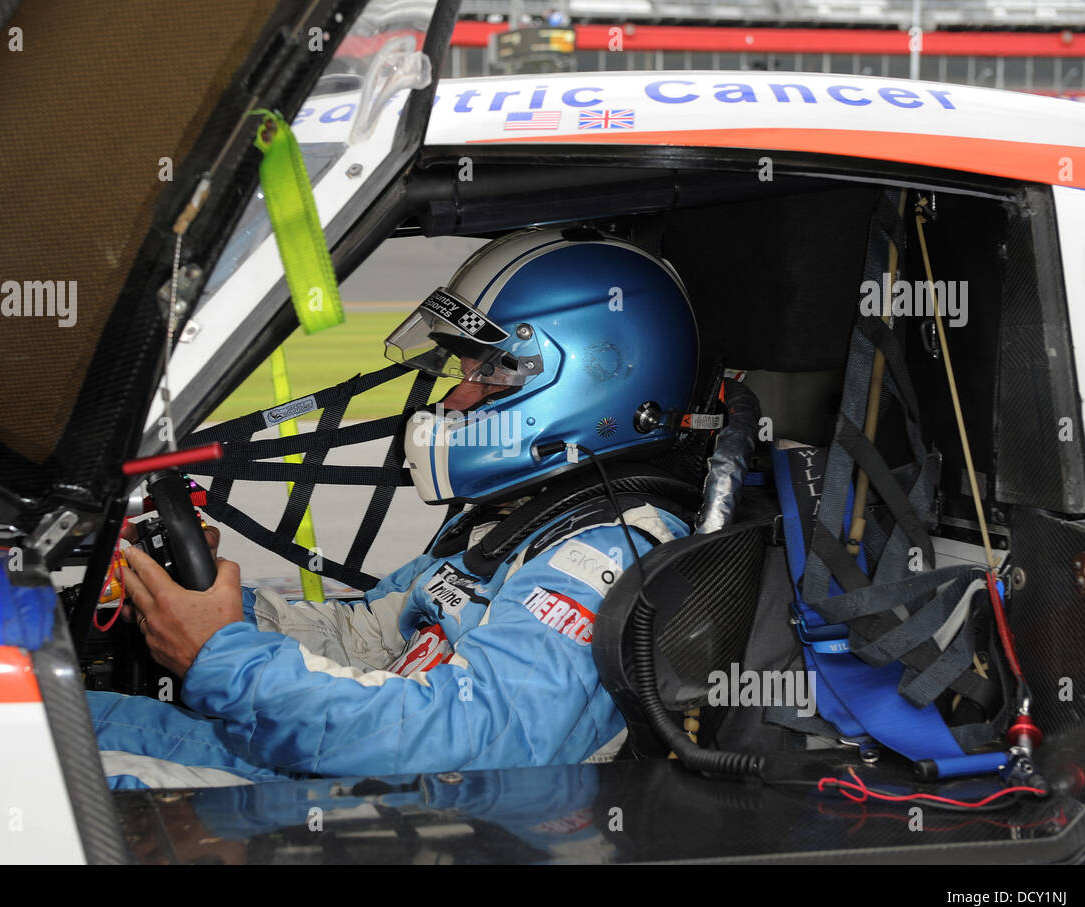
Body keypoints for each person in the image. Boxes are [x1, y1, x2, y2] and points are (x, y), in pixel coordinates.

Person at [88, 227, 701, 788]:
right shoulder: (514, 521)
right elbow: (366, 638)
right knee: (58, 719)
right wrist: (216, 615)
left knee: (51, 780)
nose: (456, 400)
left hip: (425, 815)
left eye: (486, 378)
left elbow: (467, 741)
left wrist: (223, 661)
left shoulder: (608, 553)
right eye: (462, 373)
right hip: (365, 769)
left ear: (590, 379)